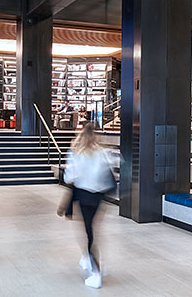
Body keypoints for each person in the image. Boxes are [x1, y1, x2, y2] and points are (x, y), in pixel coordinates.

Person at [63, 123, 116, 289]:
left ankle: (95, 272)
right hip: (98, 196)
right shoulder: (102, 152)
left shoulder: (76, 153)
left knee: (88, 232)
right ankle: (88, 258)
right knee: (92, 228)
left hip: (83, 195)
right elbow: (110, 171)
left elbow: (69, 177)